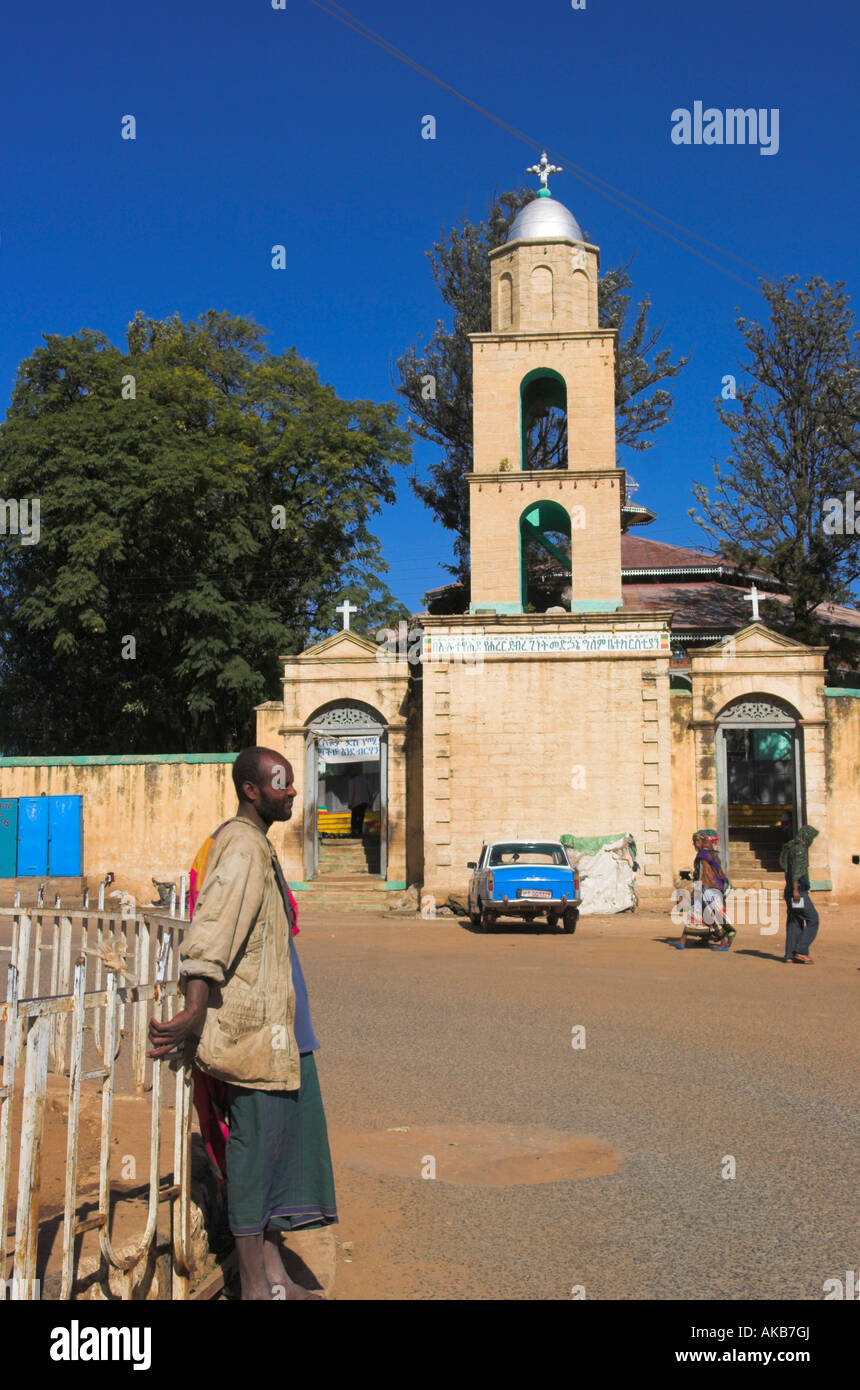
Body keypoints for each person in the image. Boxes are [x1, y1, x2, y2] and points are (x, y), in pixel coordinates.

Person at [148, 746, 337, 1300]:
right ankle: (255, 1287)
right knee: (255, 1156)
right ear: (251, 790)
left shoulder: (258, 845)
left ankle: (275, 1278)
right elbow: (210, 932)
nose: (292, 792)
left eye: (291, 782)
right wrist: (194, 1006)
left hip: (284, 1033)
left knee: (278, 1156)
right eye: (280, 783)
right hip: (255, 1036)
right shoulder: (240, 846)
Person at [671, 830, 736, 950]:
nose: (695, 844)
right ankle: (684, 940)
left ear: (705, 841)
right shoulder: (712, 854)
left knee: (708, 916)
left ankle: (723, 941)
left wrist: (696, 890)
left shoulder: (702, 856)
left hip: (706, 889)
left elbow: (701, 874)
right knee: (696, 915)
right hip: (713, 889)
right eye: (694, 841)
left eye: (697, 841)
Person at [779, 824, 820, 964]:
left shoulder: (791, 847)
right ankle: (801, 950)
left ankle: (789, 954)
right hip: (798, 891)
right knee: (813, 919)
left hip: (789, 891)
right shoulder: (800, 850)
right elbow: (797, 871)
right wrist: (796, 890)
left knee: (794, 921)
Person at [347, 766, 373, 838]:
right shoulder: (365, 780)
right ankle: (360, 831)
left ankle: (354, 831)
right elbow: (370, 792)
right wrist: (370, 802)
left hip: (355, 802)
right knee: (361, 816)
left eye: (351, 772)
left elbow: (351, 793)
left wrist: (350, 803)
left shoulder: (352, 781)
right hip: (364, 802)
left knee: (354, 817)